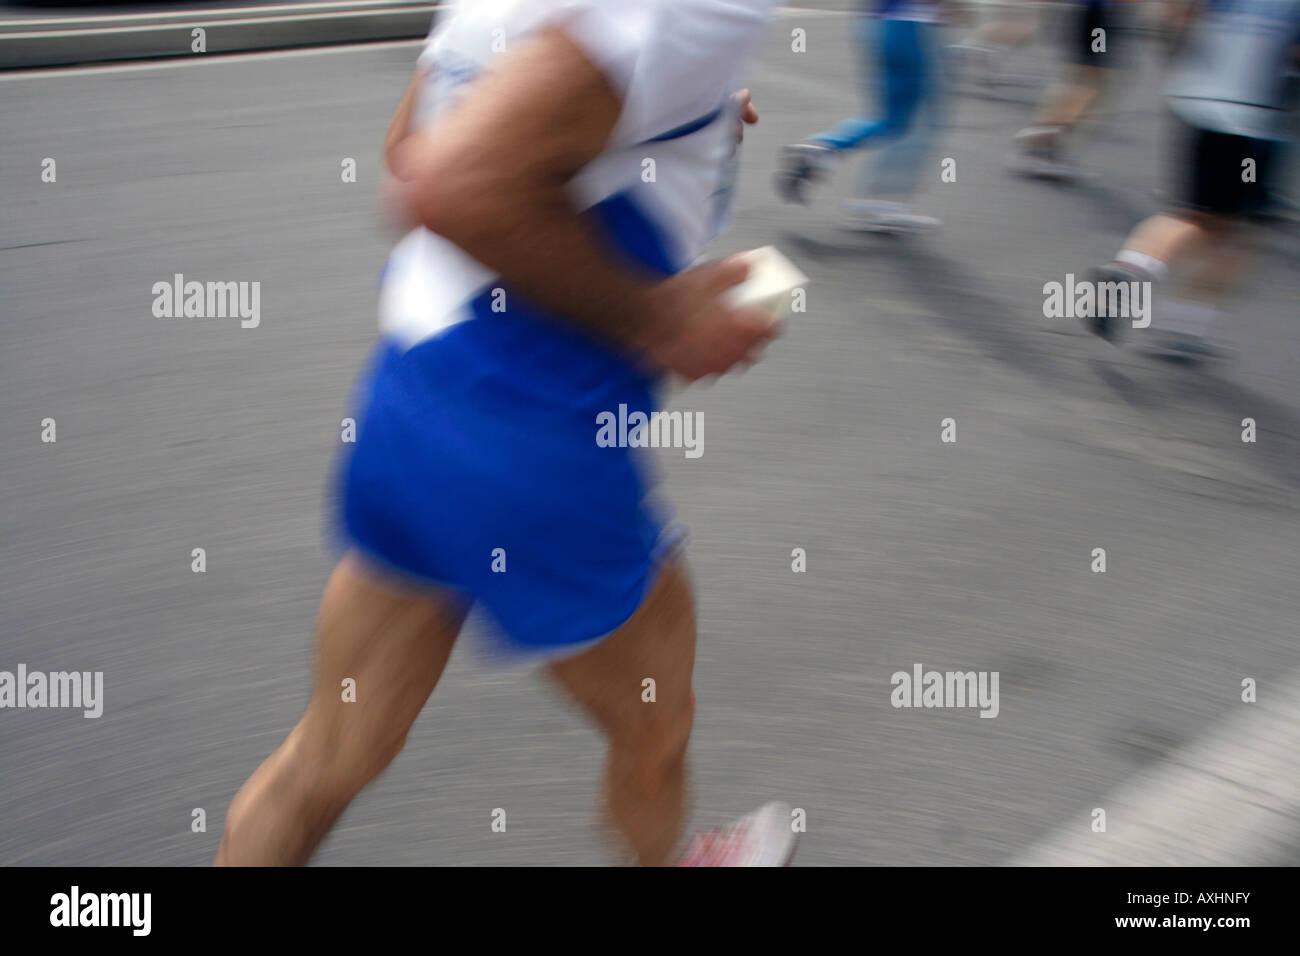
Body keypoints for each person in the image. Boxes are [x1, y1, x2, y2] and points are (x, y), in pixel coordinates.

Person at [214, 0, 797, 867]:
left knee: (322, 760)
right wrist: (661, 318)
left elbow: (409, 160)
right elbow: (459, 184)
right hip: (534, 443)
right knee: (657, 723)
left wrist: (684, 115)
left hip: (407, 414)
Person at [1088, 0, 1300, 358]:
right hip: (1255, 118)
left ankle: (1130, 268)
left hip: (1196, 101)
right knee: (1238, 227)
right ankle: (1185, 322)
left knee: (1193, 212)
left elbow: (1176, 14)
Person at [774, 0, 949, 232]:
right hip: (911, 25)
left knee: (891, 119)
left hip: (879, 24)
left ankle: (823, 149)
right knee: (909, 121)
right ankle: (878, 202)